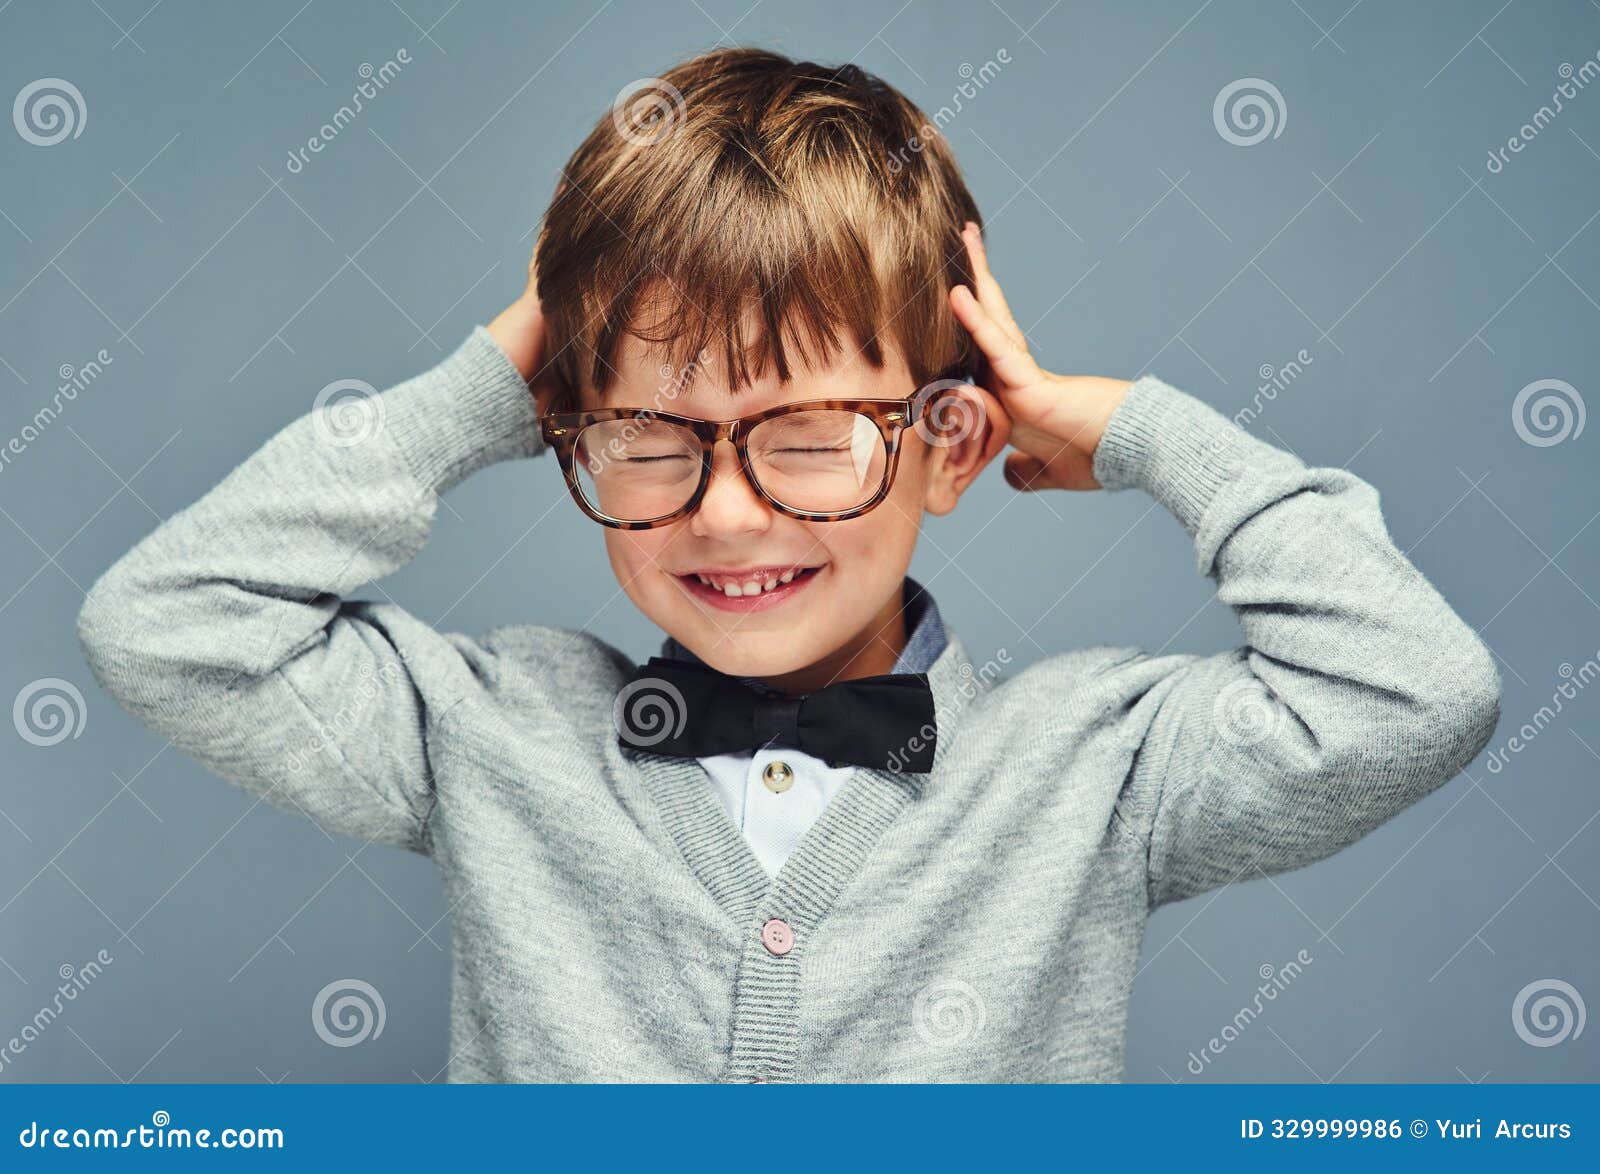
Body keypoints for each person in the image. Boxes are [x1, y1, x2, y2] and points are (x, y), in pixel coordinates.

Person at [76, 47, 1500, 1082]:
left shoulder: (1097, 768)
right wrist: (485, 388)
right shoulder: (492, 735)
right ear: (567, 433)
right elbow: (168, 621)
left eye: (809, 437)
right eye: (653, 436)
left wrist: (1141, 431)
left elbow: (1416, 690)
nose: (731, 513)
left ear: (949, 444)